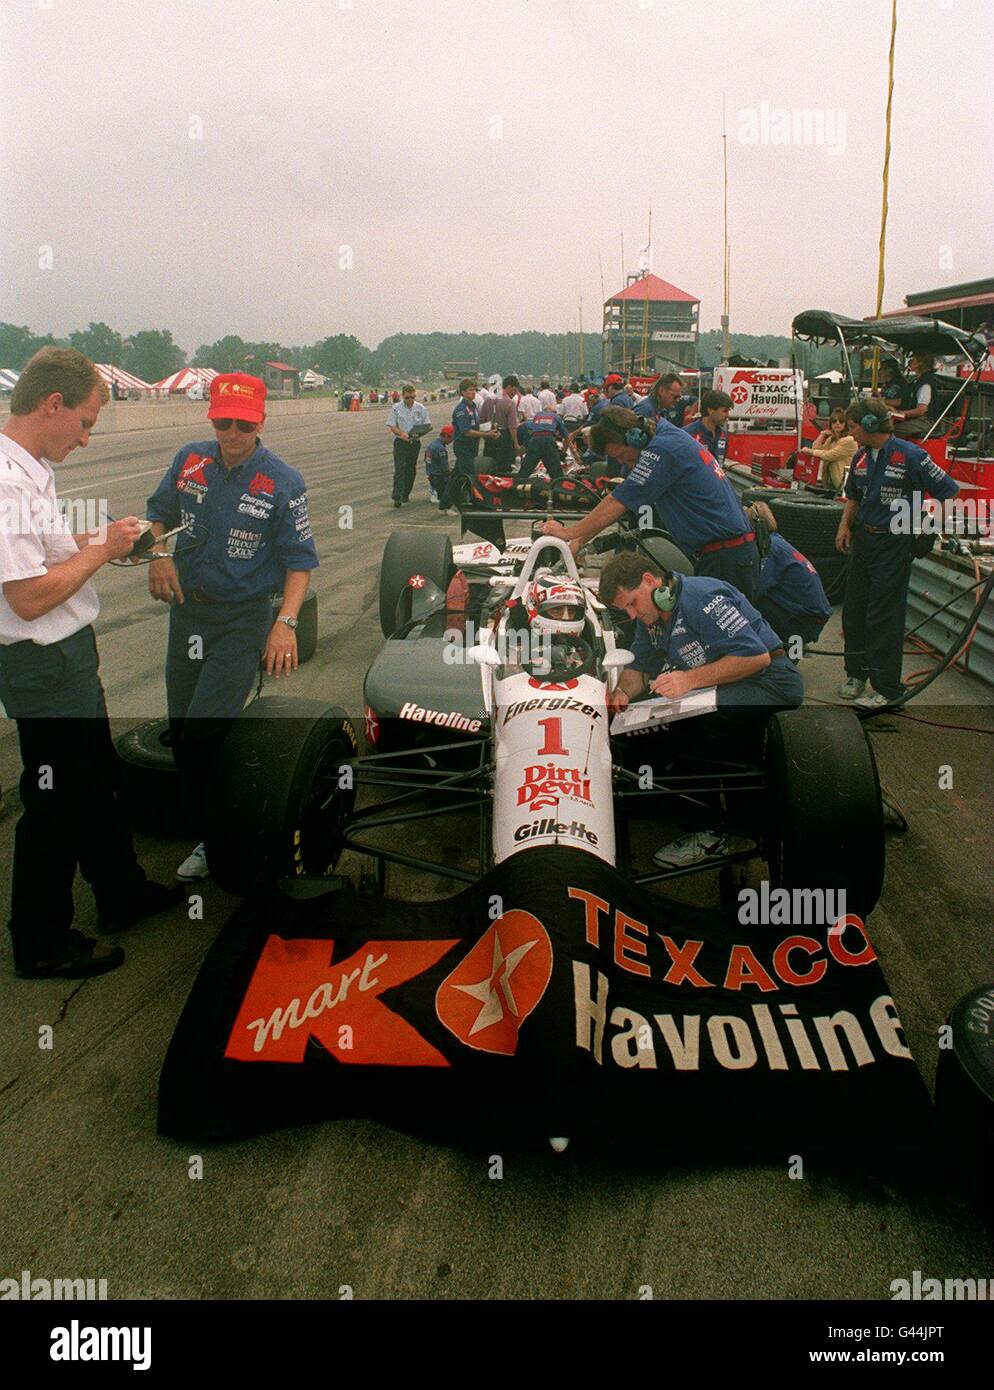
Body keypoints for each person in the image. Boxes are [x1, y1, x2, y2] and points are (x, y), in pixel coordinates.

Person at [0, 348, 181, 978]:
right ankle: (41, 939)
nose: (84, 439)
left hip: (67, 654)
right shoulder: (5, 481)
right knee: (57, 802)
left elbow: (45, 555)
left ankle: (120, 889)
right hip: (41, 659)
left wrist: (103, 542)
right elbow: (26, 598)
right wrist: (101, 549)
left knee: (98, 778)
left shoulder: (28, 469)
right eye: (84, 423)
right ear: (53, 404)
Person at [145, 372, 319, 881]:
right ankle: (206, 821)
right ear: (212, 418)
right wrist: (158, 554)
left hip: (244, 618)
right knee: (183, 730)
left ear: (260, 421)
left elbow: (299, 563)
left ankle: (220, 838)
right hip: (188, 612)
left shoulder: (283, 481)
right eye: (223, 421)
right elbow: (157, 514)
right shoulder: (189, 460)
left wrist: (284, 624)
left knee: (204, 732)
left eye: (243, 423)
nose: (232, 433)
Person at [598, 550, 802, 867]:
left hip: (769, 681)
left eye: (632, 603)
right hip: (720, 686)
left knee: (696, 726)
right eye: (624, 609)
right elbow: (639, 665)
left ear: (649, 580)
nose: (632, 614)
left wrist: (689, 679)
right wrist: (622, 692)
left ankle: (716, 833)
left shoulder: (699, 596)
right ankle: (676, 805)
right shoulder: (652, 615)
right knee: (643, 728)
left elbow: (757, 657)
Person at [542, 407, 760, 600]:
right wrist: (580, 540)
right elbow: (622, 499)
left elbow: (617, 502)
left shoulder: (662, 450)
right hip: (725, 553)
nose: (620, 461)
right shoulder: (667, 438)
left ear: (634, 437)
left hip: (727, 558)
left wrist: (569, 533)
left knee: (728, 638)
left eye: (619, 454)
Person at [835, 396, 959, 710]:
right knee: (854, 611)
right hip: (864, 541)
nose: (850, 434)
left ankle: (888, 690)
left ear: (868, 424)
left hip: (894, 544)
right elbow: (853, 496)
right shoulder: (861, 457)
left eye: (852, 427)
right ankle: (856, 674)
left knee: (883, 618)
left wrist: (928, 530)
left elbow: (948, 492)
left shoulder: (912, 455)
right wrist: (844, 527)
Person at [755, 530, 832, 650]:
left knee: (744, 604)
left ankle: (779, 652)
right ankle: (793, 648)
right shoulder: (778, 541)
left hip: (802, 623)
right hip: (812, 619)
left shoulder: (769, 548)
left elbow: (755, 589)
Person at [386, 383, 431, 508]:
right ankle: (397, 495)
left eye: (412, 397)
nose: (410, 400)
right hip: (401, 441)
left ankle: (406, 493)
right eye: (407, 398)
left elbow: (427, 425)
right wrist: (402, 434)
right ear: (402, 396)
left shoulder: (421, 408)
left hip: (414, 442)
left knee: (411, 469)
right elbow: (392, 426)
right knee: (400, 468)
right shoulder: (396, 408)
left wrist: (419, 433)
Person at [478, 375, 522, 474]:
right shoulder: (510, 403)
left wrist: (486, 435)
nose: (514, 394)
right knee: (503, 467)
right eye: (514, 391)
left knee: (488, 464)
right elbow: (512, 427)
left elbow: (481, 421)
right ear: (509, 387)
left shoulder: (488, 400)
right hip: (504, 438)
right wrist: (516, 443)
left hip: (489, 435)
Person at [892, 352, 941, 438]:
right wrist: (883, 402)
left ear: (920, 363)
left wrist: (900, 413)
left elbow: (921, 410)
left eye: (913, 360)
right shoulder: (916, 381)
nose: (909, 362)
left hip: (925, 421)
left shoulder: (925, 384)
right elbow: (903, 401)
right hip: (916, 419)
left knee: (891, 430)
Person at [809, 407, 858, 491]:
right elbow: (816, 449)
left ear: (846, 424)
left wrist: (811, 452)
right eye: (834, 421)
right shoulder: (832, 439)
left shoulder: (849, 440)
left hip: (845, 486)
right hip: (831, 484)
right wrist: (822, 434)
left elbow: (829, 455)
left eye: (841, 421)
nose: (837, 423)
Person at [517, 405, 570, 481]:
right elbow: (567, 437)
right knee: (556, 472)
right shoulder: (556, 417)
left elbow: (531, 430)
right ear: (553, 412)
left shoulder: (537, 415)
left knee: (525, 469)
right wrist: (564, 452)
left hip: (534, 440)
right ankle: (559, 488)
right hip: (548, 440)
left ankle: (516, 486)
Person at [684, 389, 732, 465]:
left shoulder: (723, 434)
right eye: (725, 411)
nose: (728, 415)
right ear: (710, 410)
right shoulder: (687, 434)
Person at [424, 424, 454, 508]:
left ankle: (434, 489)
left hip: (430, 473)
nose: (451, 441)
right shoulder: (441, 449)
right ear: (445, 436)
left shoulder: (431, 445)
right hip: (438, 477)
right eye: (451, 438)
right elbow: (445, 469)